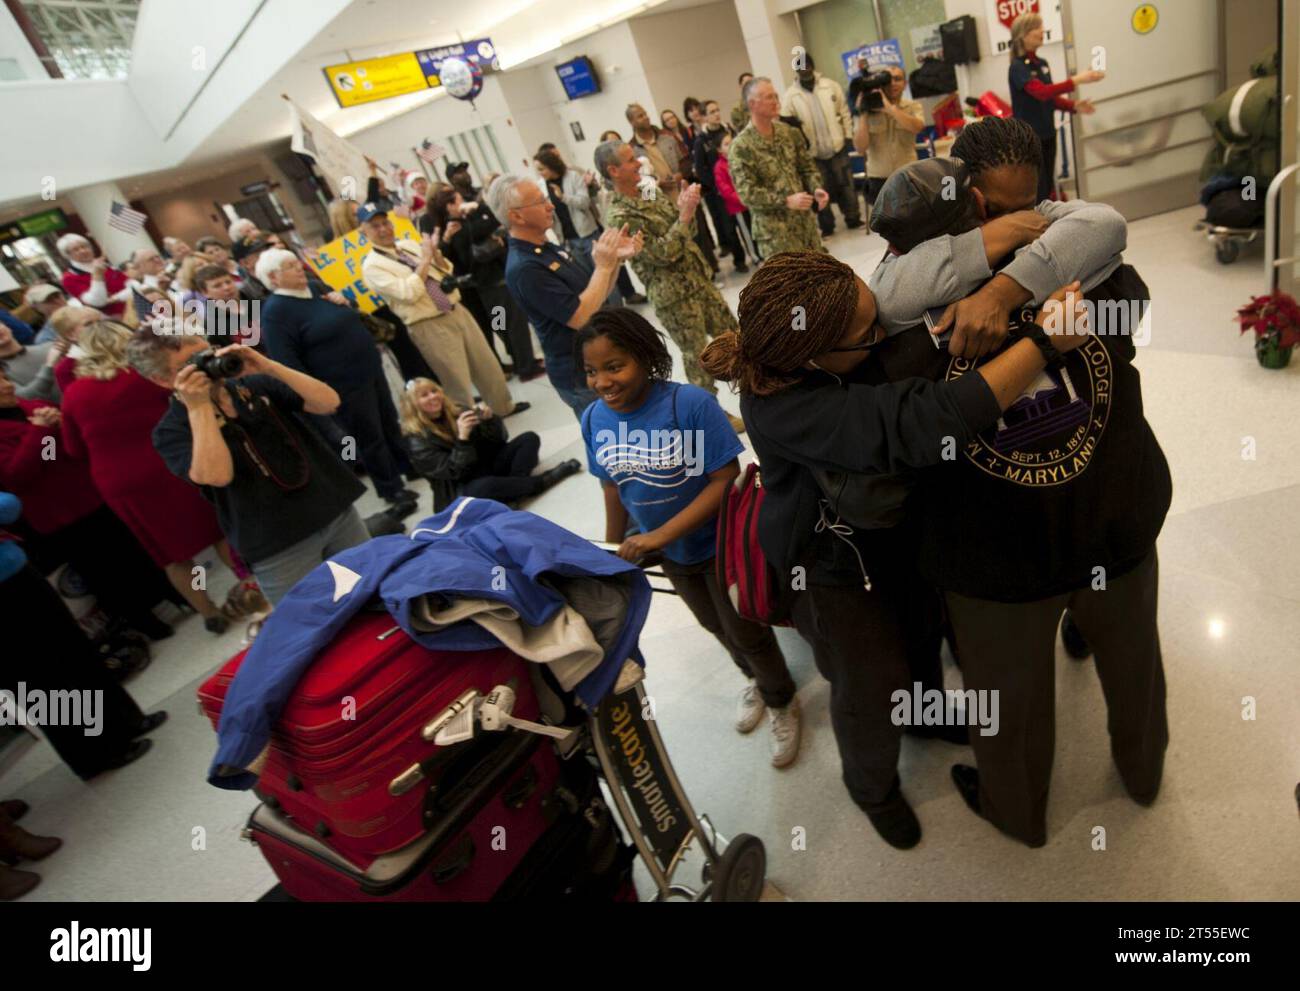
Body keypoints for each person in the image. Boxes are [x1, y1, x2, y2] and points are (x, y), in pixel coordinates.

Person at [697, 253, 1092, 848]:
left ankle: (924, 717)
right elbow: (924, 421)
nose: (883, 336)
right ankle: (872, 786)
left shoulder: (824, 353)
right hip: (830, 571)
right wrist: (1042, 343)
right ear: (815, 355)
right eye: (868, 335)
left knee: (920, 635)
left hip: (887, 540)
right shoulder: (781, 408)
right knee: (869, 684)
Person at [865, 118, 1169, 848]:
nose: (1017, 222)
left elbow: (879, 320)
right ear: (971, 202)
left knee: (1009, 709)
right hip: (1111, 519)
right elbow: (1121, 280)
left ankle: (1017, 810)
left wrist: (998, 287)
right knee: (1137, 674)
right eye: (1002, 210)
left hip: (998, 558)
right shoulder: (1094, 271)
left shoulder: (905, 330)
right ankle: (1143, 772)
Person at [577, 309, 800, 765]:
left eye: (614, 366)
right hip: (672, 553)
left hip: (721, 545)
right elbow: (611, 486)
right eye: (591, 371)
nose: (602, 381)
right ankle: (755, 681)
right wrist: (612, 551)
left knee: (746, 629)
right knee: (714, 625)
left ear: (645, 357)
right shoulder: (595, 419)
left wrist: (657, 535)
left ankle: (781, 698)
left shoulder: (685, 406)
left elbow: (721, 482)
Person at [131, 326, 371, 607]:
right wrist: (198, 408)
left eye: (206, 354)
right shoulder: (171, 430)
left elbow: (328, 402)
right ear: (162, 380)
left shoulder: (251, 386)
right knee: (316, 626)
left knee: (378, 588)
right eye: (189, 365)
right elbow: (218, 476)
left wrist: (268, 366)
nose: (206, 367)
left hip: (333, 509)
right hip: (277, 545)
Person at [59, 320, 243, 633]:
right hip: (169, 461)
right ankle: (248, 586)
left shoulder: (73, 394)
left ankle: (209, 612)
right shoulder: (146, 377)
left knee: (171, 554)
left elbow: (72, 449)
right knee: (217, 531)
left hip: (119, 482)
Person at [0, 493, 167, 794]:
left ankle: (125, 723)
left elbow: (10, 506)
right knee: (40, 678)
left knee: (76, 652)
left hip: (19, 574)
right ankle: (96, 755)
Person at [0, 367, 176, 641]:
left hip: (92, 494)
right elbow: (20, 476)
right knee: (103, 571)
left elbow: (66, 448)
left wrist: (59, 427)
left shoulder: (35, 406)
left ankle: (171, 595)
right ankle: (143, 621)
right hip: (63, 515)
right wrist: (42, 434)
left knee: (134, 551)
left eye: (5, 378)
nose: (7, 386)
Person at [256, 248, 419, 516]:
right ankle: (390, 487)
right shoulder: (276, 312)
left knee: (389, 420)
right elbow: (287, 361)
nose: (299, 267)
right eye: (290, 266)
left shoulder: (315, 286)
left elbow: (350, 312)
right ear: (273, 278)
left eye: (297, 263)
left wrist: (346, 301)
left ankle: (407, 466)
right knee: (369, 436)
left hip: (368, 367)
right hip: (340, 383)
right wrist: (316, 394)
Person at [596, 140, 743, 426]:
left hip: (697, 279)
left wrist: (685, 209)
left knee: (734, 336)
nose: (639, 162)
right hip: (674, 296)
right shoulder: (620, 216)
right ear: (613, 170)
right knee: (698, 357)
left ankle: (759, 387)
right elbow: (663, 253)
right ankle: (713, 417)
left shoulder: (647, 188)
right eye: (629, 160)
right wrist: (685, 217)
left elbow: (680, 226)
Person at [494, 173, 644, 419]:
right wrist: (604, 267)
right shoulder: (525, 267)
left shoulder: (544, 247)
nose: (551, 205)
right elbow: (580, 316)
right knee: (618, 445)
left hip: (599, 359)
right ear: (516, 216)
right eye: (540, 201)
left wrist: (614, 260)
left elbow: (594, 298)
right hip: (580, 374)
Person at [358, 203, 528, 418]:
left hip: (455, 308)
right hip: (428, 323)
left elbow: (445, 269)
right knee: (455, 379)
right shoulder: (372, 266)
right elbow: (408, 292)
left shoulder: (408, 245)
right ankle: (469, 425)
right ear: (364, 232)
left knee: (487, 364)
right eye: (375, 226)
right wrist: (427, 259)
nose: (383, 229)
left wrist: (435, 254)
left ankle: (504, 407)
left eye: (385, 223)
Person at [400, 378, 580, 512]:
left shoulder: (457, 411)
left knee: (529, 439)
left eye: (434, 391)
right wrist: (463, 438)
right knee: (482, 487)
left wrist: (490, 421)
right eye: (424, 395)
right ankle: (541, 482)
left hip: (485, 468)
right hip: (460, 489)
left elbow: (499, 442)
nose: (433, 397)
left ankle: (513, 490)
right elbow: (454, 473)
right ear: (413, 405)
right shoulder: (416, 440)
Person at [428, 187, 543, 382]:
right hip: (493, 283)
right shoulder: (461, 227)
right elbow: (493, 221)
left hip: (485, 286)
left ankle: (519, 361)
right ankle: (526, 366)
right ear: (450, 206)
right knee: (513, 324)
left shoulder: (458, 226)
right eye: (458, 200)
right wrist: (479, 206)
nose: (463, 201)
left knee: (502, 324)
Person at [1007, 11, 1102, 203]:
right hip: (1029, 138)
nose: (1042, 30)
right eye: (1036, 27)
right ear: (1023, 35)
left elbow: (1048, 98)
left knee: (1047, 185)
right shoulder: (1017, 67)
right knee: (1037, 189)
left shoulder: (1042, 63)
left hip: (1047, 133)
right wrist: (1076, 80)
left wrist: (1074, 105)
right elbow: (1040, 92)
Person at [728, 77, 829, 258]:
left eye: (775, 96)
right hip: (775, 236)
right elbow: (747, 193)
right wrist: (785, 201)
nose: (776, 101)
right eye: (769, 97)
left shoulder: (788, 133)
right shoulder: (741, 146)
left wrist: (816, 188)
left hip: (805, 226)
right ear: (752, 104)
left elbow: (807, 167)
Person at [782, 54, 863, 236]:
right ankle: (827, 226)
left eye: (807, 65)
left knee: (846, 184)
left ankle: (853, 218)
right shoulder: (790, 96)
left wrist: (848, 135)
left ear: (812, 65)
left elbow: (844, 112)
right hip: (812, 153)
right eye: (801, 68)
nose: (805, 70)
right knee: (818, 188)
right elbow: (787, 123)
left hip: (837, 145)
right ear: (796, 71)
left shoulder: (830, 86)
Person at [852, 64, 926, 217]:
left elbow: (917, 127)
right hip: (879, 180)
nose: (892, 83)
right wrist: (863, 114)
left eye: (897, 79)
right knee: (891, 230)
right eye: (888, 80)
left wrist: (890, 109)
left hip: (908, 176)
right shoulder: (867, 110)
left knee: (915, 223)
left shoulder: (913, 106)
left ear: (905, 84)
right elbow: (860, 147)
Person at [692, 100, 748, 274]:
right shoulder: (701, 140)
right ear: (704, 116)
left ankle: (756, 253)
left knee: (747, 222)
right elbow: (700, 168)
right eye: (711, 111)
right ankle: (739, 260)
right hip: (718, 191)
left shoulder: (728, 130)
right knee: (729, 228)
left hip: (738, 185)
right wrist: (715, 186)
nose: (716, 114)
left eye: (717, 110)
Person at [534, 147, 603, 271]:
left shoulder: (573, 176)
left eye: (541, 169)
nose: (539, 173)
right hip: (568, 241)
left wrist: (563, 197)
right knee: (587, 279)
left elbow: (584, 202)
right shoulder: (541, 185)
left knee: (604, 273)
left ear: (551, 166)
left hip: (587, 235)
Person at [56, 234, 131, 318]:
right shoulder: (69, 278)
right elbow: (98, 302)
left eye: (84, 246)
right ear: (68, 255)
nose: (83, 251)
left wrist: (115, 298)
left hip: (132, 310)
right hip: (112, 321)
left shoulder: (103, 264)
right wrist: (98, 276)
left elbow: (134, 286)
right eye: (76, 250)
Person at [713, 132, 760, 264]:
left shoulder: (741, 159)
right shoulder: (719, 167)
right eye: (726, 144)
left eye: (731, 141)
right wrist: (743, 198)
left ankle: (761, 252)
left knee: (756, 229)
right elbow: (725, 190)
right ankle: (755, 256)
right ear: (719, 149)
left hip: (751, 202)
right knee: (747, 233)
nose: (731, 145)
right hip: (738, 206)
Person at [626, 103, 686, 196]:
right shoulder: (631, 150)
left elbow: (687, 160)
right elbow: (637, 180)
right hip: (659, 200)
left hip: (683, 193)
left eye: (645, 114)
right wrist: (657, 183)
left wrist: (680, 174)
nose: (646, 117)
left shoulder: (668, 136)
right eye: (640, 116)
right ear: (631, 122)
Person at [0, 317, 64, 403]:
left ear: (7, 327)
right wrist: (49, 366)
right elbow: (25, 398)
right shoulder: (2, 374)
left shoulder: (50, 347)